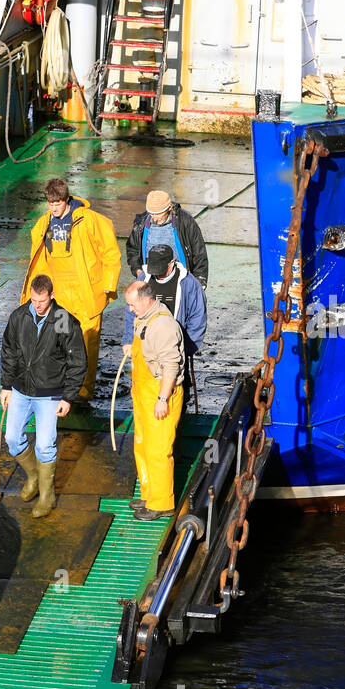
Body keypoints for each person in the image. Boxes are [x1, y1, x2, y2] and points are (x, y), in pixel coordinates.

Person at [21, 177, 121, 402]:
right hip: (60, 293)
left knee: (87, 342)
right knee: (60, 342)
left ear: (67, 200)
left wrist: (107, 287)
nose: (53, 208)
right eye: (50, 204)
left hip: (86, 293)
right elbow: (38, 259)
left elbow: (111, 253)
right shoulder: (42, 224)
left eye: (57, 204)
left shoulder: (92, 221)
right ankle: (61, 385)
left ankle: (83, 390)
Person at [0, 273, 87, 518]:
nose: (37, 306)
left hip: (50, 394)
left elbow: (77, 362)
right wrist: (6, 385)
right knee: (12, 439)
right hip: (20, 389)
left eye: (42, 301)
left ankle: (47, 496)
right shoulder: (19, 316)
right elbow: (8, 352)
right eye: (34, 300)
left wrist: (68, 397)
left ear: (51, 296)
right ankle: (34, 475)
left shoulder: (62, 320)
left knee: (45, 445)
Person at [124, 278, 185, 521]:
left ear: (146, 300)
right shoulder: (144, 318)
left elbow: (171, 366)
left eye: (132, 305)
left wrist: (162, 398)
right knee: (143, 444)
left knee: (159, 450)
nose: (130, 310)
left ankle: (162, 503)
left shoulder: (163, 326)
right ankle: (148, 494)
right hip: (143, 393)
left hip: (160, 393)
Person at [121, 243, 207, 404]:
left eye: (161, 271)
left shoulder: (189, 284)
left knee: (176, 384)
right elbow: (129, 310)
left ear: (172, 263)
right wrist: (128, 339)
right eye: (155, 271)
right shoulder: (144, 279)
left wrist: (186, 348)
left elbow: (198, 318)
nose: (158, 276)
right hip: (145, 343)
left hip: (172, 345)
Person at [126, 189, 209, 288]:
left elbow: (199, 252)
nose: (155, 218)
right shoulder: (141, 223)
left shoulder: (185, 221)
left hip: (180, 279)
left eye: (159, 214)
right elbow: (133, 249)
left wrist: (200, 281)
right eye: (151, 213)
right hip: (151, 278)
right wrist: (138, 271)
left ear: (169, 208)